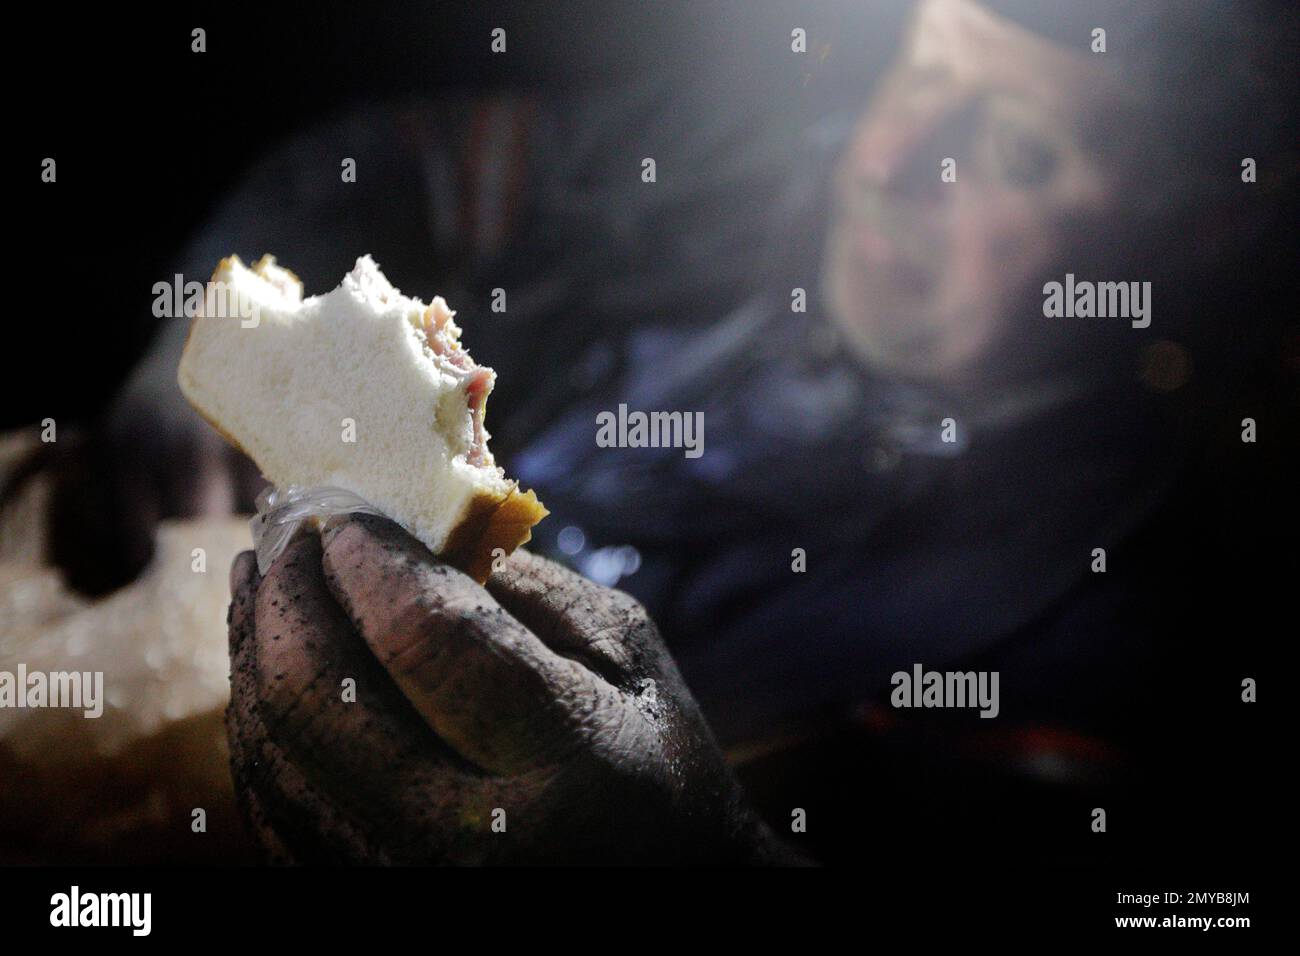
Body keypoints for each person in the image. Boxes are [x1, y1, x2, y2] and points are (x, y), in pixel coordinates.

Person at [30, 0, 1297, 863]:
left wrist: (698, 852)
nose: (891, 159)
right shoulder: (729, 160)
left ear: (1197, 235)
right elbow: (400, 158)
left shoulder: (1109, 629)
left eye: (1015, 150)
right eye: (918, 67)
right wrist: (203, 348)